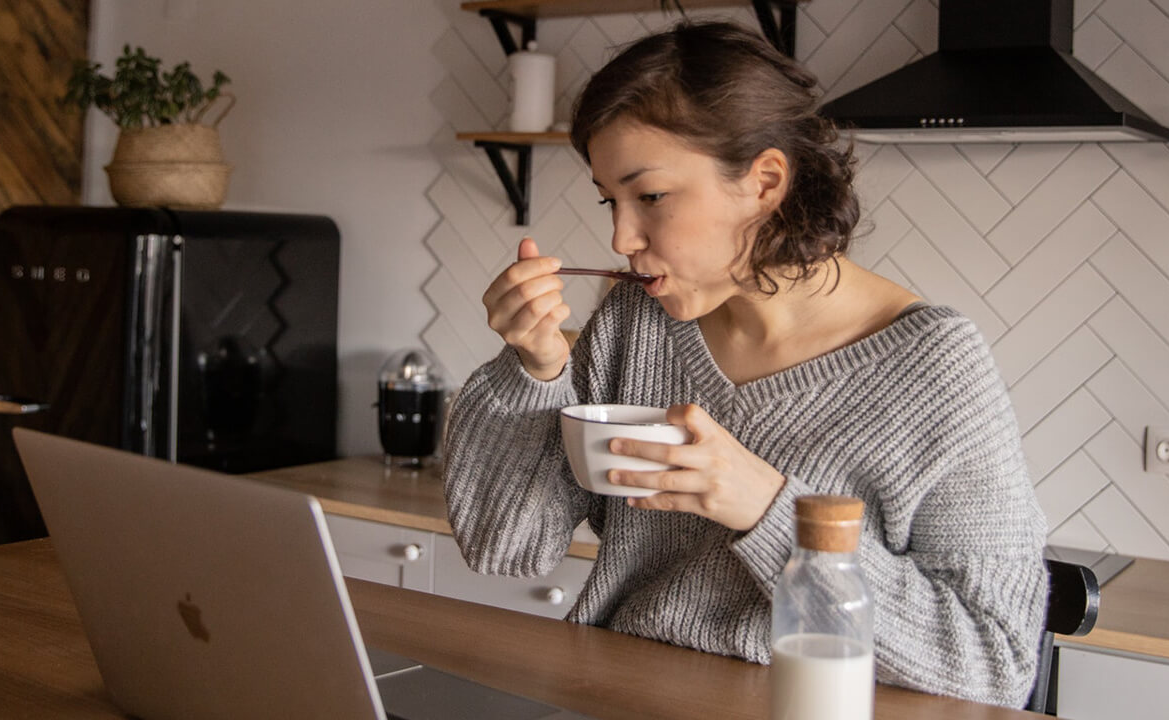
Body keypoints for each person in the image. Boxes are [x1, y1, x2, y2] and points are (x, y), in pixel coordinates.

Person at [442, 20, 1048, 709]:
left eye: (651, 196)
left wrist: (769, 509)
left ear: (764, 182)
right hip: (613, 698)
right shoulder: (635, 323)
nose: (621, 237)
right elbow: (503, 549)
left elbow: (994, 663)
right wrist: (536, 371)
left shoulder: (934, 369)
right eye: (610, 200)